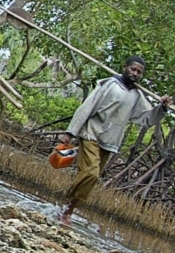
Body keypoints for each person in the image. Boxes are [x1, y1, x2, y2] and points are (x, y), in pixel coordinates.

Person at [56, 56, 170, 225]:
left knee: (91, 179)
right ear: (125, 68)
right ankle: (65, 203)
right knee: (91, 173)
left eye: (139, 72)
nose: (135, 74)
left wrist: (162, 107)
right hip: (91, 134)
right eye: (133, 69)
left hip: (110, 142)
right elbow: (88, 106)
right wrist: (70, 132)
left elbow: (146, 118)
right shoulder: (110, 85)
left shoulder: (137, 95)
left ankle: (67, 210)